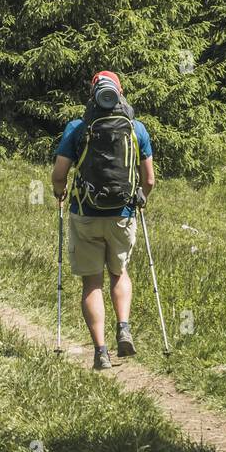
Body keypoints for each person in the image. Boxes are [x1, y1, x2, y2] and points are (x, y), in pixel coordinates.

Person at [51, 71, 155, 370]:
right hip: (122, 214)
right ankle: (123, 326)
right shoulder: (137, 129)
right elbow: (149, 179)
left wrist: (60, 193)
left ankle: (100, 352)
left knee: (91, 282)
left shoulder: (77, 127)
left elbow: (59, 175)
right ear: (120, 93)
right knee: (119, 273)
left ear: (93, 93)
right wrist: (140, 200)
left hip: (85, 213)